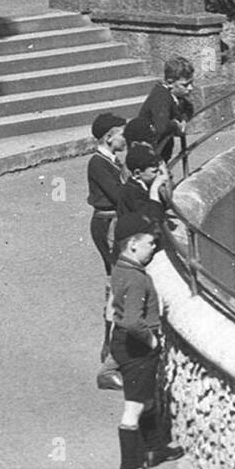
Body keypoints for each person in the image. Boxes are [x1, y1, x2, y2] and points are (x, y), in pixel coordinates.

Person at [110, 230, 182, 469]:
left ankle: (154, 449)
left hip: (123, 343)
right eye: (149, 244)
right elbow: (132, 321)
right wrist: (152, 341)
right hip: (137, 348)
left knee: (147, 399)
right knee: (135, 407)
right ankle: (130, 466)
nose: (153, 248)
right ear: (132, 244)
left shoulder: (121, 268)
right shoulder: (137, 279)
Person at [87, 112, 127, 358]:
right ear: (109, 137)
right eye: (122, 134)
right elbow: (120, 196)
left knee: (117, 279)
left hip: (112, 221)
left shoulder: (112, 160)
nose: (126, 138)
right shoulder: (98, 163)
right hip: (106, 224)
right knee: (116, 280)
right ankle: (110, 346)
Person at [135, 56, 195, 163]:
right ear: (170, 82)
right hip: (148, 154)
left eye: (191, 83)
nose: (190, 88)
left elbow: (189, 108)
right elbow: (161, 126)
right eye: (185, 85)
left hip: (161, 150)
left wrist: (184, 120)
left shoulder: (174, 93)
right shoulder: (161, 97)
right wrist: (176, 125)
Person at [114, 144, 166, 260]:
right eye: (154, 172)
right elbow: (154, 217)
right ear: (138, 173)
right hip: (131, 249)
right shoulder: (131, 192)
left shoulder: (141, 185)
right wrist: (155, 189)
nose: (159, 175)